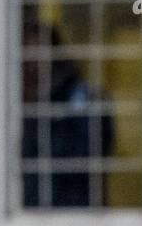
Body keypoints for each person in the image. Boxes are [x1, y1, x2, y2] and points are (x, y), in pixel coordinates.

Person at [20, 18, 115, 208]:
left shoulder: (82, 98)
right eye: (27, 55)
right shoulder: (11, 108)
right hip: (29, 213)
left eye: (39, 52)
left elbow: (85, 155)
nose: (33, 63)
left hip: (76, 213)